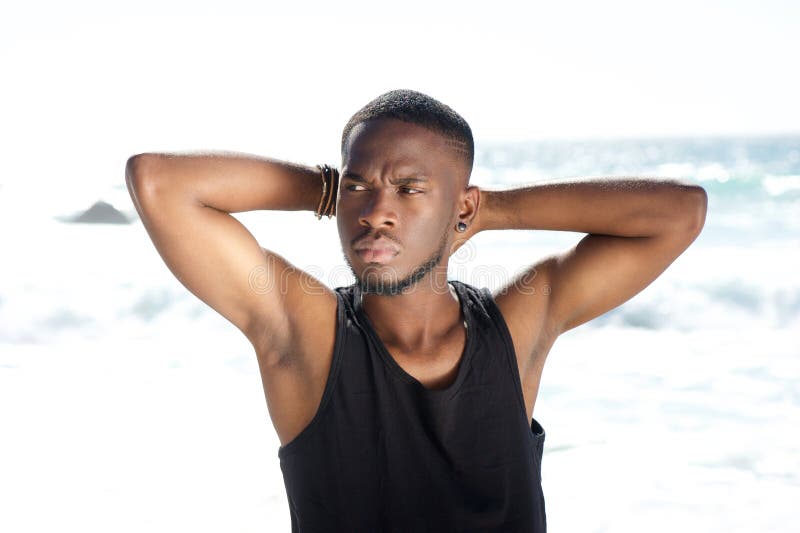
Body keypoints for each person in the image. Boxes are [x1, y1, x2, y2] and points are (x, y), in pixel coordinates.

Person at [125, 89, 707, 532]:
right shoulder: (307, 336)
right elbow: (159, 182)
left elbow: (680, 212)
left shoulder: (517, 327)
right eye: (360, 188)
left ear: (462, 207)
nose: (376, 212)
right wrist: (329, 188)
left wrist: (490, 210)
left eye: (409, 189)